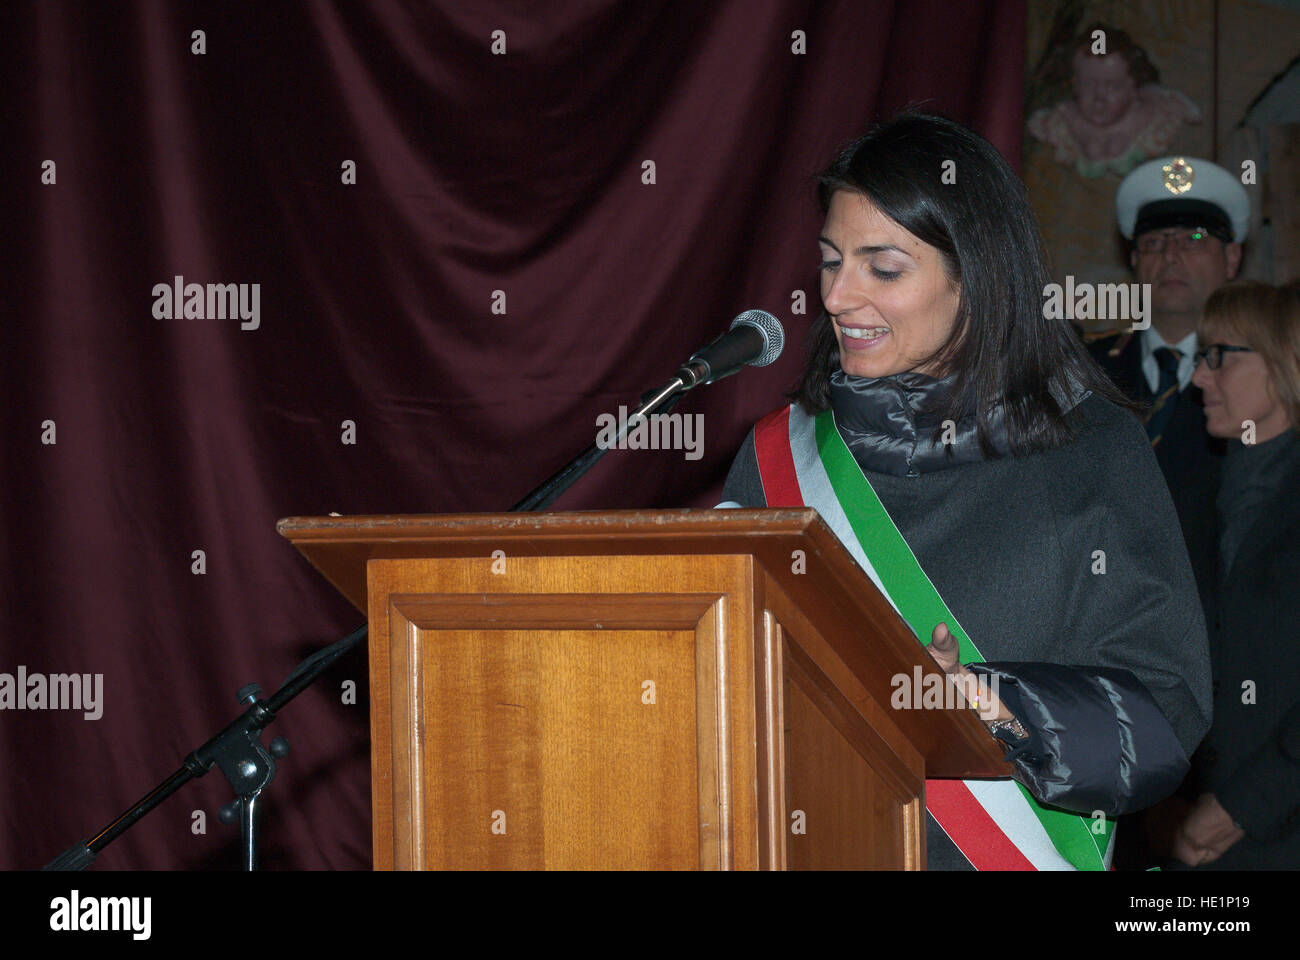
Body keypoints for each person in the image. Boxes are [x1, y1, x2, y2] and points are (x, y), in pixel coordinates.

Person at [722, 112, 1210, 870]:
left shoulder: (1088, 449)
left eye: (882, 268)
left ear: (977, 277)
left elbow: (1165, 712)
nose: (838, 296)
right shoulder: (778, 459)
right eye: (829, 261)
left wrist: (999, 705)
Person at [1170, 280, 1300, 869]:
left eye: (1218, 356)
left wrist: (1243, 807)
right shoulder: (1192, 501)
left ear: (1285, 361)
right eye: (1199, 358)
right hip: (1192, 842)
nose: (1199, 378)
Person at [1089, 155, 1250, 608]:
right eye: (1155, 241)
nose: (1171, 256)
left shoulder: (1262, 375)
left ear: (1232, 257)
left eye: (1194, 239)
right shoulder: (1084, 371)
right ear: (1135, 260)